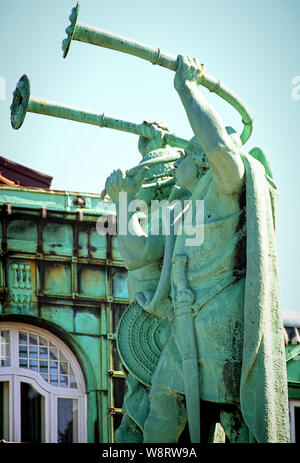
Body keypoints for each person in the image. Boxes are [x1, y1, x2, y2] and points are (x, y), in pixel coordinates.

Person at [106, 56, 290, 443]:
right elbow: (139, 254)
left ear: (206, 161)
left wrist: (187, 89)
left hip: (222, 323)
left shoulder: (226, 190)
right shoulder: (183, 214)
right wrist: (123, 200)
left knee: (221, 416)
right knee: (171, 409)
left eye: (187, 155)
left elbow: (222, 146)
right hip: (189, 325)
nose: (179, 164)